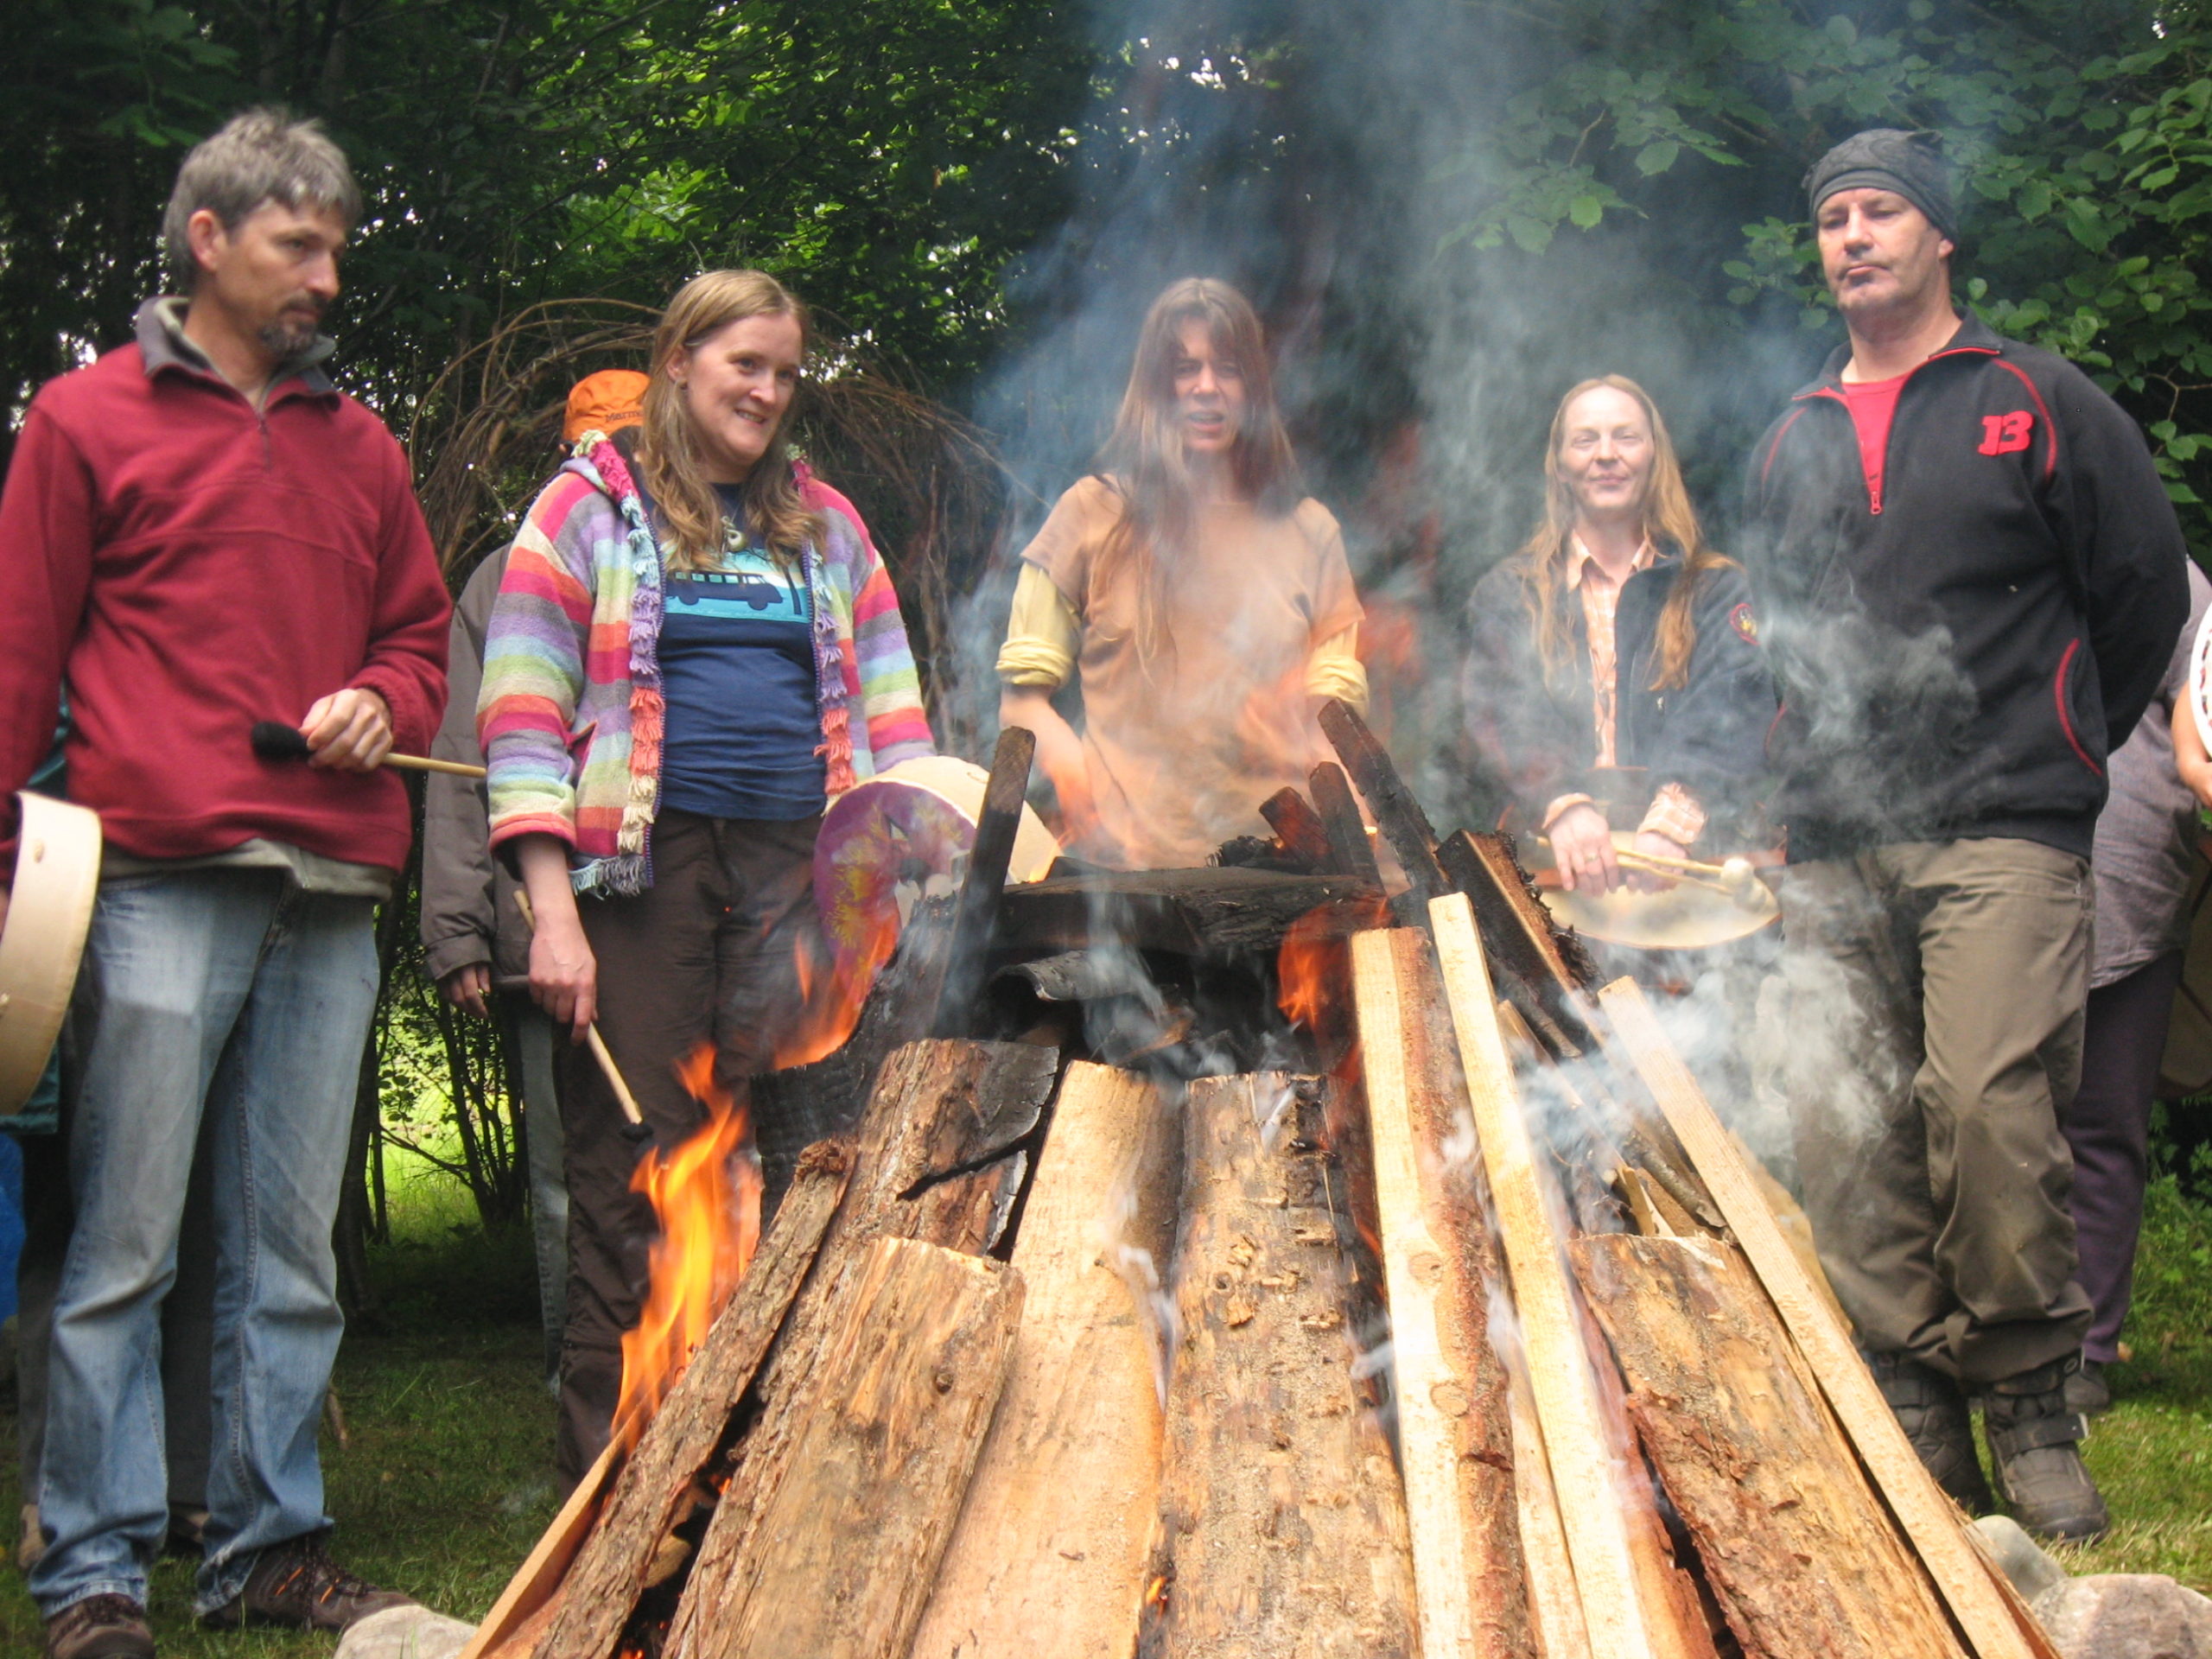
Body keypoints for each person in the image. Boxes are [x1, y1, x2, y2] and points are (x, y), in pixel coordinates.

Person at [0, 109, 450, 1656]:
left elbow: (420, 641)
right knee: (126, 1241)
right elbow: (15, 662)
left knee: (287, 1250)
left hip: (330, 885)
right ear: (210, 238)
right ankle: (93, 1573)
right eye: (297, 243)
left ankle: (269, 1547)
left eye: (335, 244)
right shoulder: (82, 421)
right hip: (154, 876)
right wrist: (8, 876)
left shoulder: (361, 443)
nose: (327, 272)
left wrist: (389, 700)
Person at [1741, 128, 2190, 1541]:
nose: (1852, 235)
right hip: (1834, 834)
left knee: (1989, 1108)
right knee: (1841, 1119)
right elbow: (1779, 640)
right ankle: (1913, 1398)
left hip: (2006, 822)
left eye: (1880, 212)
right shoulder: (1790, 436)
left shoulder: (2035, 398)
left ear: (1941, 236)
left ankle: (2030, 1393)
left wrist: (2055, 735)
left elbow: (2140, 601)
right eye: (1833, 219)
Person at [479, 270, 933, 1486]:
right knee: (636, 1172)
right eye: (746, 365)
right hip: (643, 884)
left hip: (799, 885)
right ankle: (609, 1508)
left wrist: (900, 861)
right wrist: (552, 916)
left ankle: (747, 1486)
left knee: (785, 1170)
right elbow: (521, 714)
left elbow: (893, 715)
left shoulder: (826, 526)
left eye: (786, 374)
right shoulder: (586, 508)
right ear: (680, 361)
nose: (768, 392)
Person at [420, 370, 651, 1391]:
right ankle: (580, 1381)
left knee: (675, 1150)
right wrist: (459, 930)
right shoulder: (503, 578)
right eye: (604, 444)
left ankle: (679, 1375)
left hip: (665, 919)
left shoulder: (694, 564)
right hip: (541, 935)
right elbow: (467, 769)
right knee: (568, 1177)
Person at [995, 277, 1369, 870]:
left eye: (1227, 368)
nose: (1206, 389)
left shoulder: (1311, 530)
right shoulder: (1090, 513)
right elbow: (1022, 701)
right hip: (1125, 884)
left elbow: (1334, 718)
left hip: (1282, 884)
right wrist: (1070, 769)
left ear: (1253, 386)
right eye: (1184, 369)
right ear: (1154, 386)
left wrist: (1332, 786)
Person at [1461, 375, 1773, 896]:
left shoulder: (1715, 588)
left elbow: (1735, 701)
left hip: (1689, 868)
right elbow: (1503, 704)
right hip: (1553, 868)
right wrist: (1563, 802)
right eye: (1586, 439)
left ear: (1655, 456)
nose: (1606, 454)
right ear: (1560, 466)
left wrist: (1674, 821)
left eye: (1626, 436)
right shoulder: (1511, 592)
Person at [2064, 566, 2212, 1413]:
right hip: (1995, 856)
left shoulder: (2167, 573)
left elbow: (2198, 697)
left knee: (2102, 1118)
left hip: (2127, 863)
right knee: (1988, 1112)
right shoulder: (1986, 533)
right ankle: (1989, 1334)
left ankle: (2083, 1348)